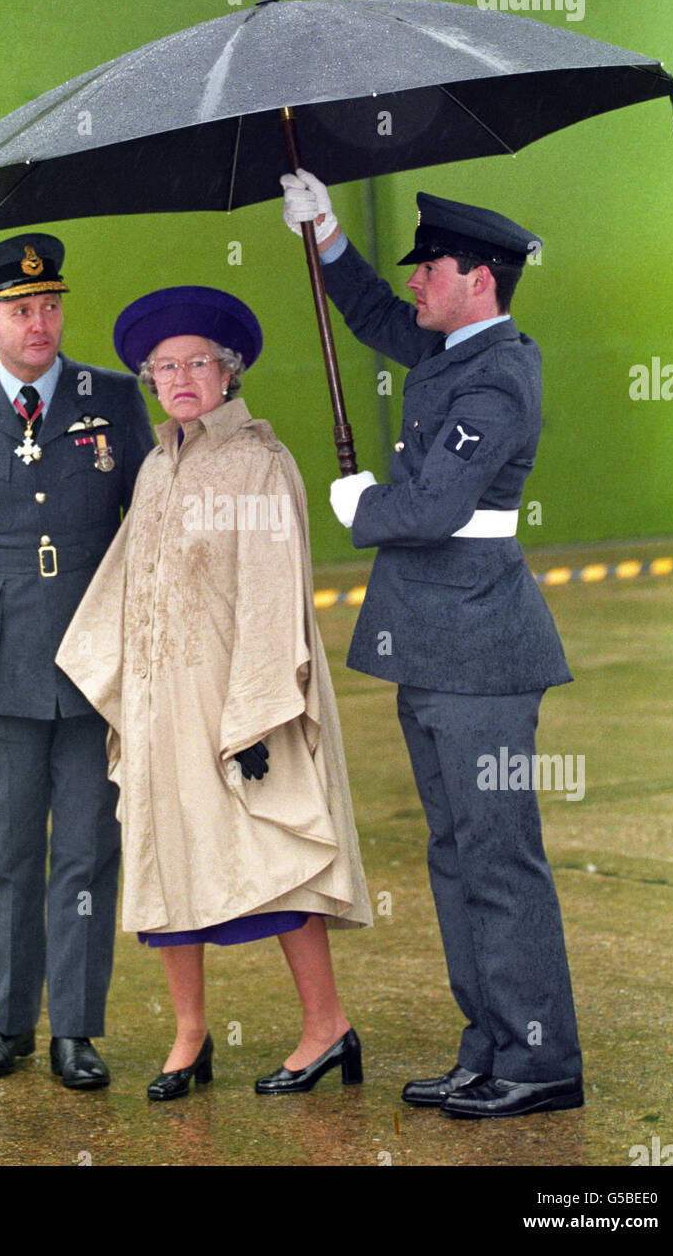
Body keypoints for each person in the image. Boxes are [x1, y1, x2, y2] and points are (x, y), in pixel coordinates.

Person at [280, 170, 582, 1119]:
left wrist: (358, 505)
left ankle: (539, 1061)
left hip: (482, 651)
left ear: (480, 280)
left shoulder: (496, 375)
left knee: (497, 860)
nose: (415, 281)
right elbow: (373, 314)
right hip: (438, 644)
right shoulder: (459, 346)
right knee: (455, 854)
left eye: (430, 268)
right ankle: (489, 1046)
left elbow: (433, 506)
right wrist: (325, 231)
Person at [56, 286, 372, 1101]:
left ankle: (325, 1027)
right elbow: (125, 584)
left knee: (274, 863)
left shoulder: (256, 460)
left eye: (197, 362)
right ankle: (189, 1038)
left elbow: (274, 594)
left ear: (228, 374)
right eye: (163, 367)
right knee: (167, 867)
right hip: (162, 706)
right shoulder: (159, 464)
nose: (179, 377)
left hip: (237, 707)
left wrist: (261, 709)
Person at [0, 234, 154, 1088]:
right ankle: (9, 1023)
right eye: (20, 312)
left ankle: (75, 1031)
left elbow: (149, 529)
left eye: (50, 306)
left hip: (97, 660)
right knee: (10, 853)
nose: (40, 322)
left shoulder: (115, 399)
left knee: (87, 853)